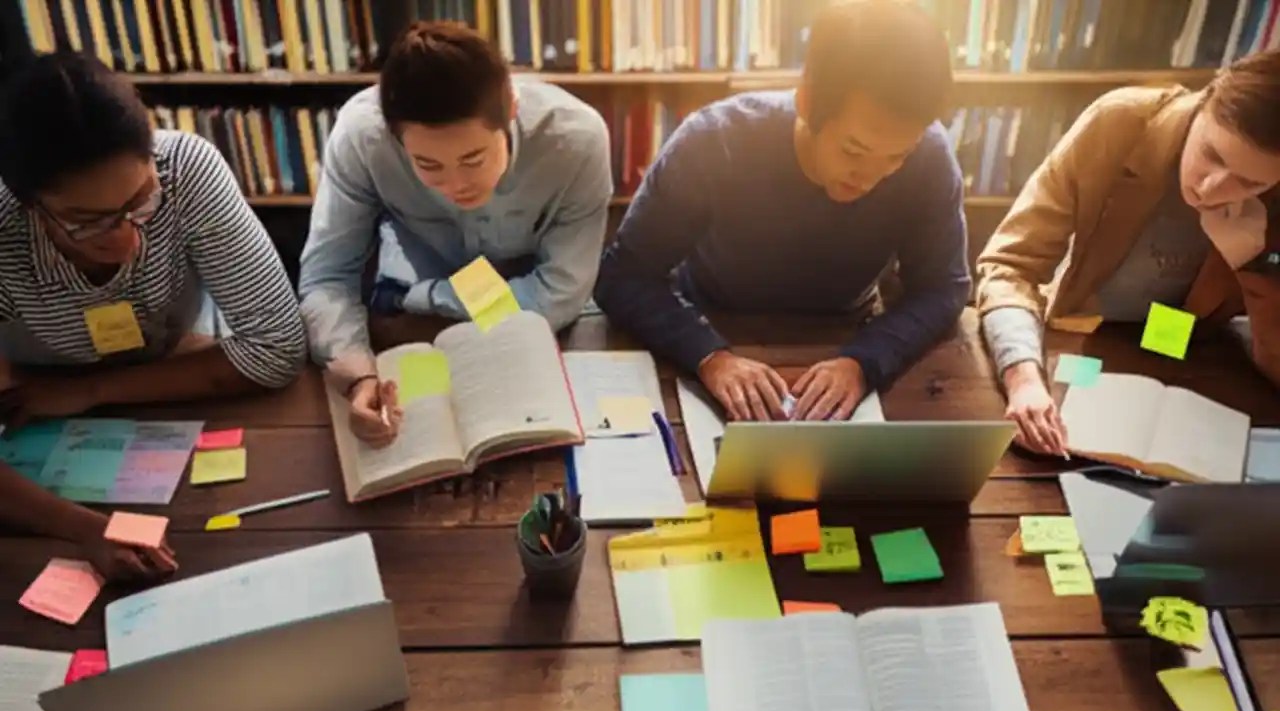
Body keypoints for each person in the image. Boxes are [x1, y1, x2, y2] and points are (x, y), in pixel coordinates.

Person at [0, 53, 307, 580]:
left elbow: (276, 346)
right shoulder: (4, 230)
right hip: (34, 406)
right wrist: (85, 528)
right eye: (85, 222)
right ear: (29, 205)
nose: (125, 238)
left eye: (139, 201)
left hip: (167, 380)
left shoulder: (185, 170)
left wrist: (93, 390)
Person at [594, 1, 969, 422]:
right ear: (807, 101)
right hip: (713, 327)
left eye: (897, 156)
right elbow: (623, 276)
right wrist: (709, 356)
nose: (872, 176)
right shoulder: (716, 142)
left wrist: (864, 362)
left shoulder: (930, 156)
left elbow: (943, 288)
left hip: (847, 335)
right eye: (854, 150)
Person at [298, 21, 612, 448]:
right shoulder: (362, 136)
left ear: (512, 109)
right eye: (427, 166)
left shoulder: (576, 140)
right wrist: (357, 376)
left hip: (517, 327)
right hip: (422, 327)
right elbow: (327, 275)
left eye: (473, 158)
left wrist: (426, 297)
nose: (455, 184)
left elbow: (559, 294)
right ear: (393, 137)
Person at [976, 49, 1280, 456]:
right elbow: (1009, 266)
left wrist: (1252, 266)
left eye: (1248, 183)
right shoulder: (1121, 124)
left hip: (1179, 351)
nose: (1211, 190)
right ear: (1204, 101)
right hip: (1083, 333)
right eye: (1212, 155)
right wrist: (1023, 377)